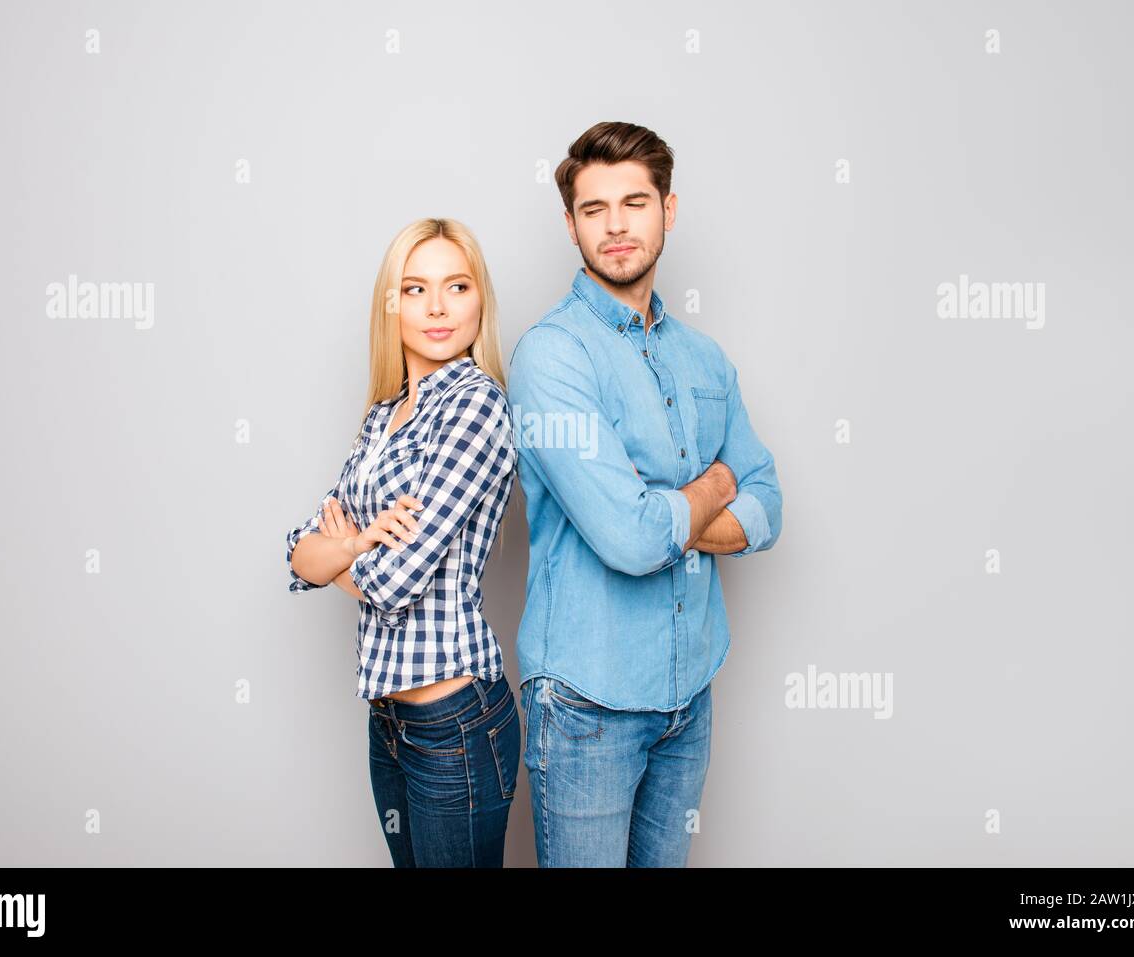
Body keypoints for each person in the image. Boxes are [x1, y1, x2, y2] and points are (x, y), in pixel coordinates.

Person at [508, 121, 784, 867]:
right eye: (595, 209)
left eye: (635, 201)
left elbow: (767, 502)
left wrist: (677, 507)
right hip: (587, 706)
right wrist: (714, 486)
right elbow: (630, 542)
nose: (617, 225)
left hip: (688, 694)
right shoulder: (551, 356)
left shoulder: (703, 357)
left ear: (669, 208)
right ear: (570, 225)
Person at [285, 218, 519, 867]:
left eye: (457, 285)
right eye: (415, 288)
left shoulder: (478, 407)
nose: (438, 306)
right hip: (389, 723)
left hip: (455, 724)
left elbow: (392, 585)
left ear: (480, 299)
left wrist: (345, 552)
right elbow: (300, 552)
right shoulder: (383, 417)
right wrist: (361, 540)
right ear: (391, 304)